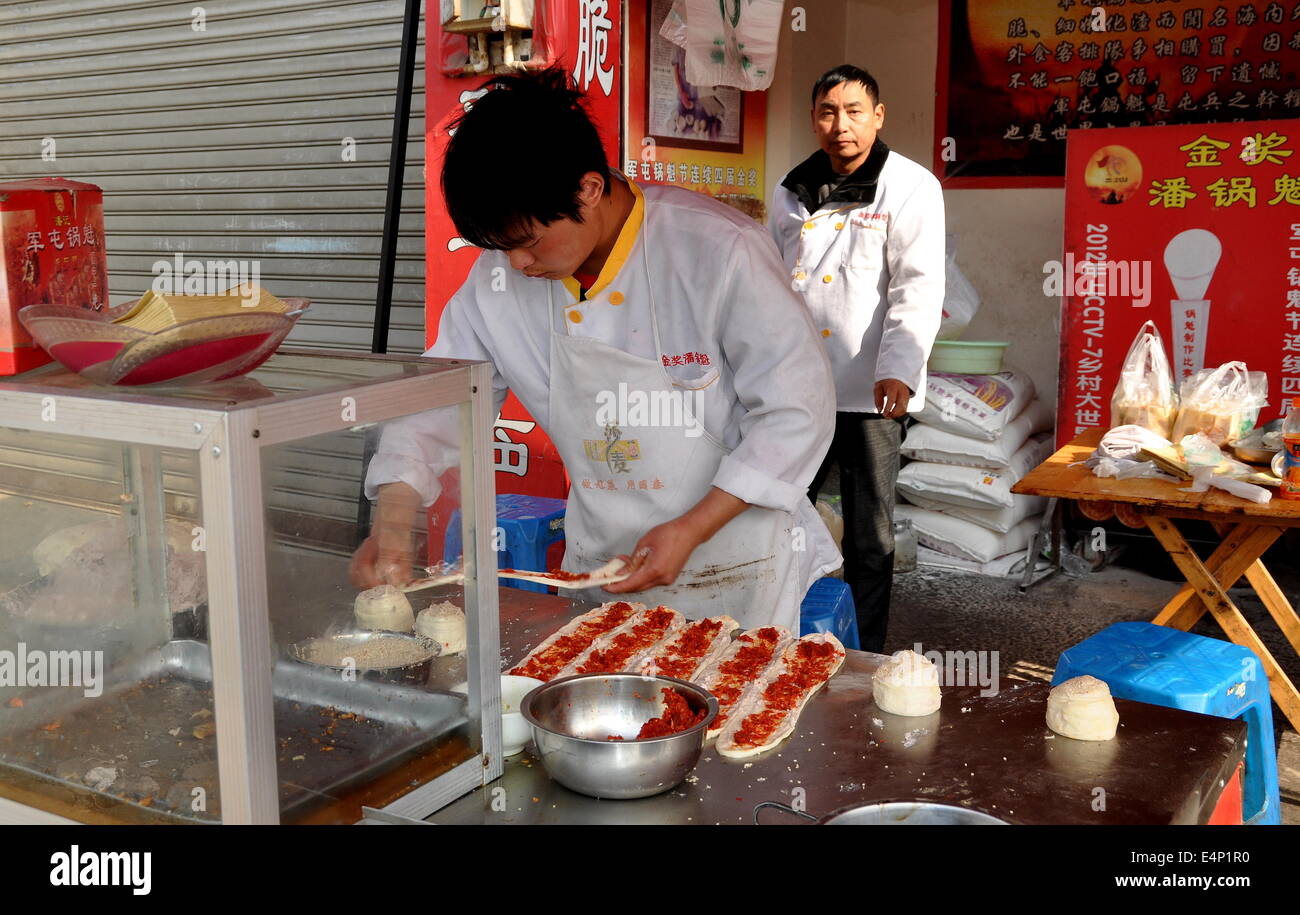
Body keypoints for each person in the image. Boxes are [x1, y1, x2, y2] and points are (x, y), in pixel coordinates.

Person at [351, 67, 839, 630]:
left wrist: (692, 528)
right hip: (605, 564)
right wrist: (391, 523)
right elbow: (437, 401)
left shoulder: (719, 251)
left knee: (737, 709)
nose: (516, 265)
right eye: (499, 248)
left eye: (528, 243)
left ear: (588, 189)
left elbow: (795, 411)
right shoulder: (498, 282)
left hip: (734, 564)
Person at [768, 65, 944, 652]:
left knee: (869, 535)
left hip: (871, 390)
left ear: (879, 116)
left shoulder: (911, 186)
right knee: (784, 516)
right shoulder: (791, 189)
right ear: (814, 118)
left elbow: (916, 287)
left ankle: (865, 651)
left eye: (853, 111)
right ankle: (784, 633)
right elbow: (772, 285)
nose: (839, 124)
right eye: (826, 112)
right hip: (798, 389)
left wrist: (900, 365)